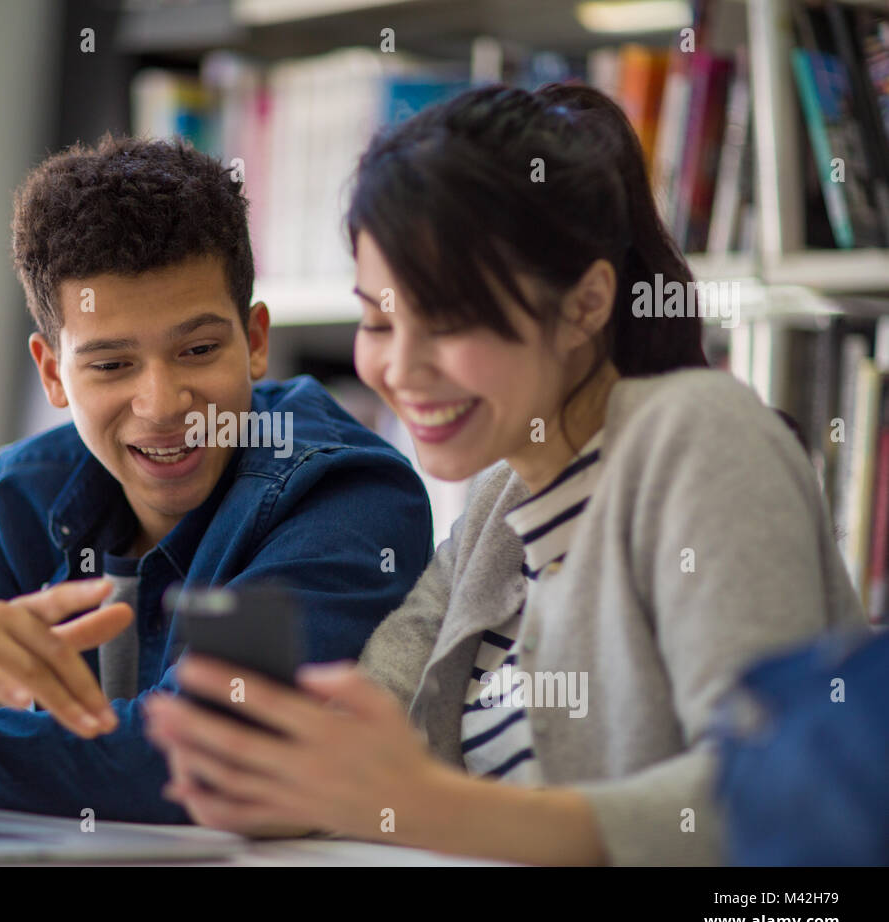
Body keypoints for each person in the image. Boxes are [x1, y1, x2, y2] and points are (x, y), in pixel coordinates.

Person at [143, 83, 868, 864]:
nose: (402, 367)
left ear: (586, 303)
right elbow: (378, 731)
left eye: (450, 320)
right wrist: (274, 778)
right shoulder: (499, 508)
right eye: (379, 320)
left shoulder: (702, 438)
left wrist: (424, 808)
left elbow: (759, 797)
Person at [0, 134, 433, 822]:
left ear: (255, 340)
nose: (163, 405)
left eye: (198, 350)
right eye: (111, 365)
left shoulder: (347, 496)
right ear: (53, 373)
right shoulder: (37, 489)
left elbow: (191, 766)